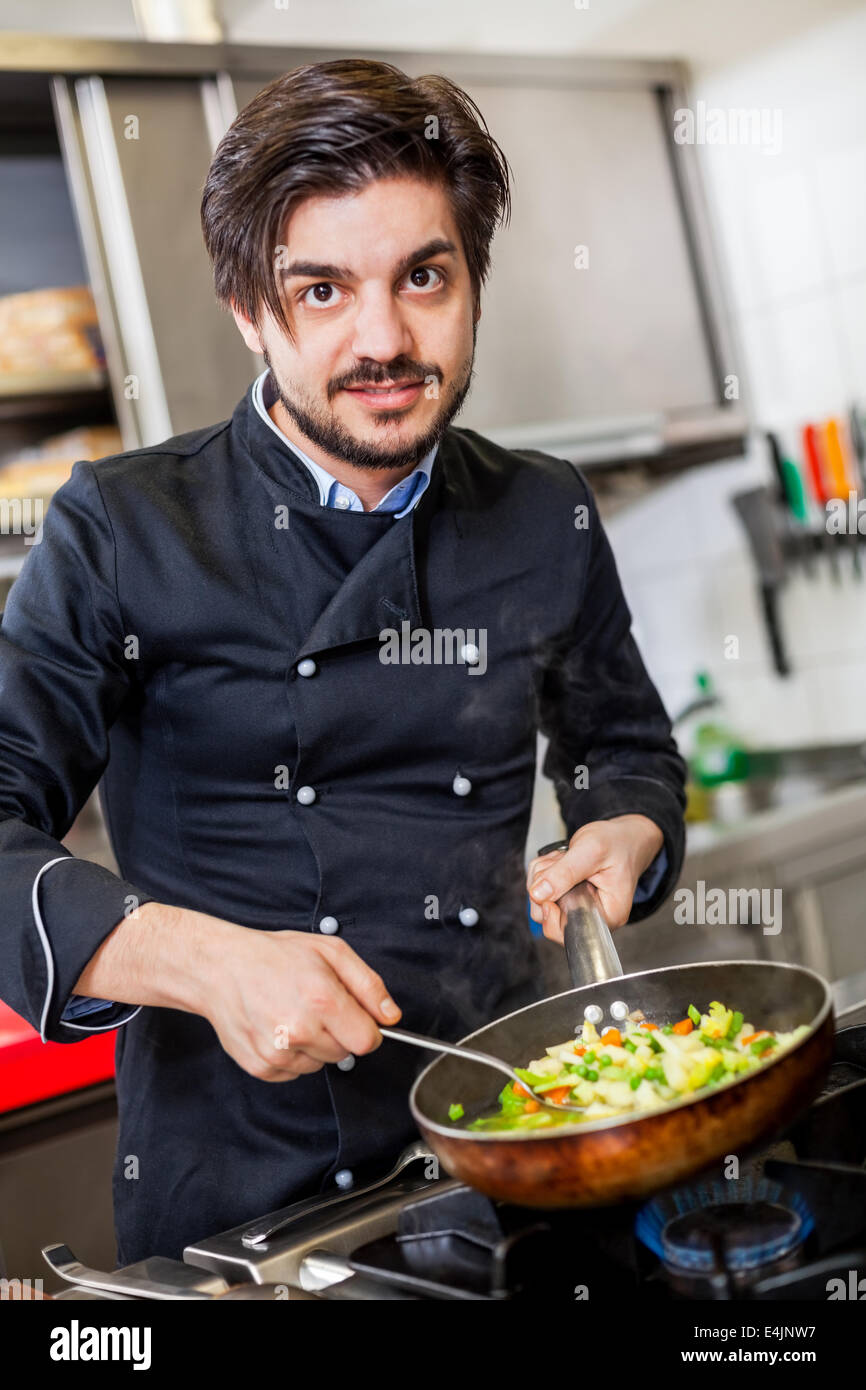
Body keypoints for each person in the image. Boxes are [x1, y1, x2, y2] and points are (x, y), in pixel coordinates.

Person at [0, 58, 686, 1264]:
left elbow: (623, 752)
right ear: (248, 312)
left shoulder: (541, 513)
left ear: (473, 280)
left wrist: (621, 834)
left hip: (513, 1143)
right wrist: (197, 957)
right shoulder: (123, 526)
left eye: (423, 276)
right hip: (243, 1210)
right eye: (320, 290)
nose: (383, 339)